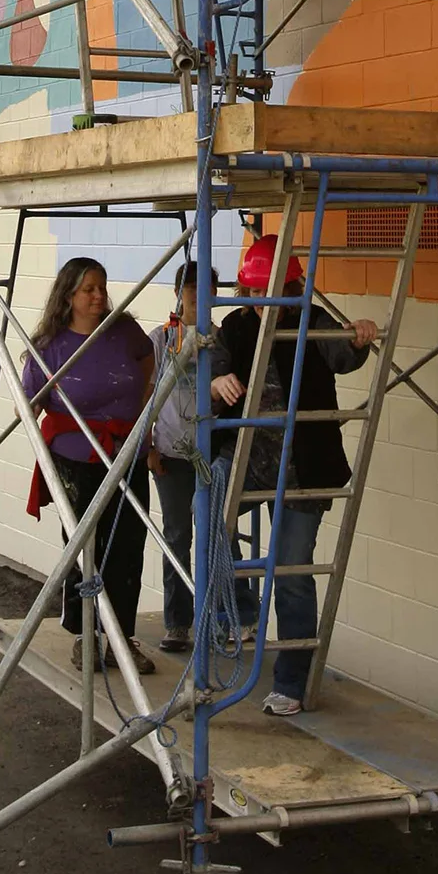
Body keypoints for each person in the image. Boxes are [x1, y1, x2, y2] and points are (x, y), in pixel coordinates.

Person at [220, 234, 379, 717]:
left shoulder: (312, 321)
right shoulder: (236, 325)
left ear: (292, 286)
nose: (265, 301)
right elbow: (216, 362)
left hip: (305, 466)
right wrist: (213, 378)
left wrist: (359, 338)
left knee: (290, 571)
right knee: (209, 525)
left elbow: (342, 356)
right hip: (254, 463)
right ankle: (242, 615)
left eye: (276, 290)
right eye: (256, 292)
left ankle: (291, 679)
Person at [21, 257, 158, 676]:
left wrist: (136, 410)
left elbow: (148, 363)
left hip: (125, 453)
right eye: (88, 290)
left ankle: (122, 639)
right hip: (75, 459)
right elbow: (28, 402)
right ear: (68, 296)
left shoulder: (124, 330)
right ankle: (87, 635)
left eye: (101, 287)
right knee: (85, 547)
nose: (99, 296)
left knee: (129, 544)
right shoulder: (50, 346)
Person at [148, 262, 245, 652]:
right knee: (177, 538)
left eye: (205, 286)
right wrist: (147, 447)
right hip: (172, 453)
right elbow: (147, 397)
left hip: (214, 455)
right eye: (188, 286)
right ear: (176, 291)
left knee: (220, 538)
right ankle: (178, 623)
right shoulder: (160, 339)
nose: (195, 292)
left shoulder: (224, 340)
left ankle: (226, 619)